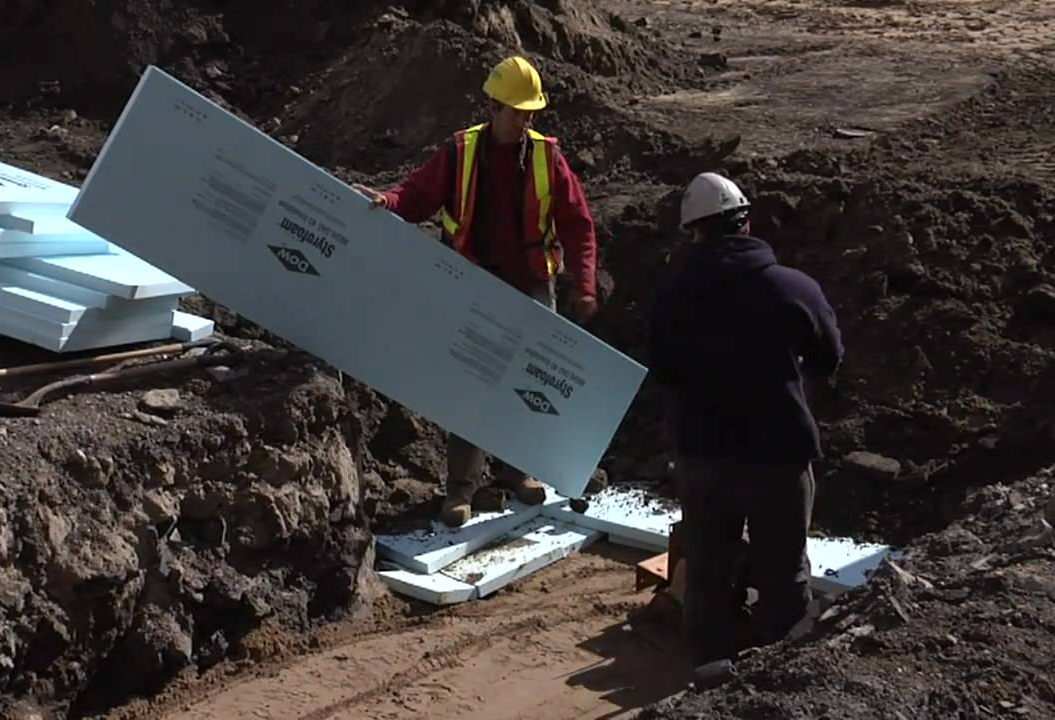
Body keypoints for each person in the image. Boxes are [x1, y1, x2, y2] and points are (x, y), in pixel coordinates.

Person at [354, 55, 600, 528]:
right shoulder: (461, 152)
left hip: (530, 285)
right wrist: (387, 201)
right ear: (493, 105)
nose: (524, 119)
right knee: (471, 383)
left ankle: (517, 471)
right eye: (515, 110)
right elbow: (418, 195)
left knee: (525, 384)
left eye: (530, 111)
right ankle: (460, 489)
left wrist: (585, 285)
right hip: (471, 283)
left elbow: (578, 225)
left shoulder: (547, 157)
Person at [647, 171, 844, 667]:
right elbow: (829, 355)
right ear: (747, 223)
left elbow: (663, 371)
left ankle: (707, 674)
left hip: (703, 455)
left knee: (709, 571)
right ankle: (782, 674)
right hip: (779, 453)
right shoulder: (792, 288)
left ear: (694, 232)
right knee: (784, 571)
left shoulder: (672, 299)